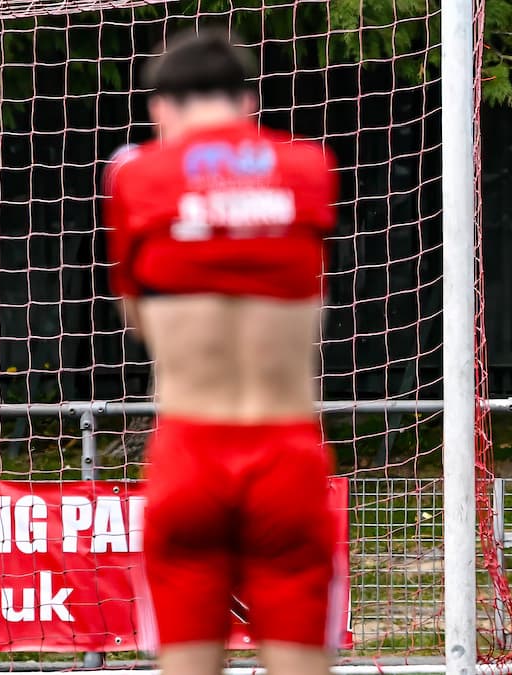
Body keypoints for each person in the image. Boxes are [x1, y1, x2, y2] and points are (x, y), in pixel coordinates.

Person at [101, 29, 340, 675]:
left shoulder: (136, 176)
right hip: (284, 443)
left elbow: (138, 316)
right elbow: (309, 288)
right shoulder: (309, 166)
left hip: (190, 445)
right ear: (248, 100)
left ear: (160, 107)